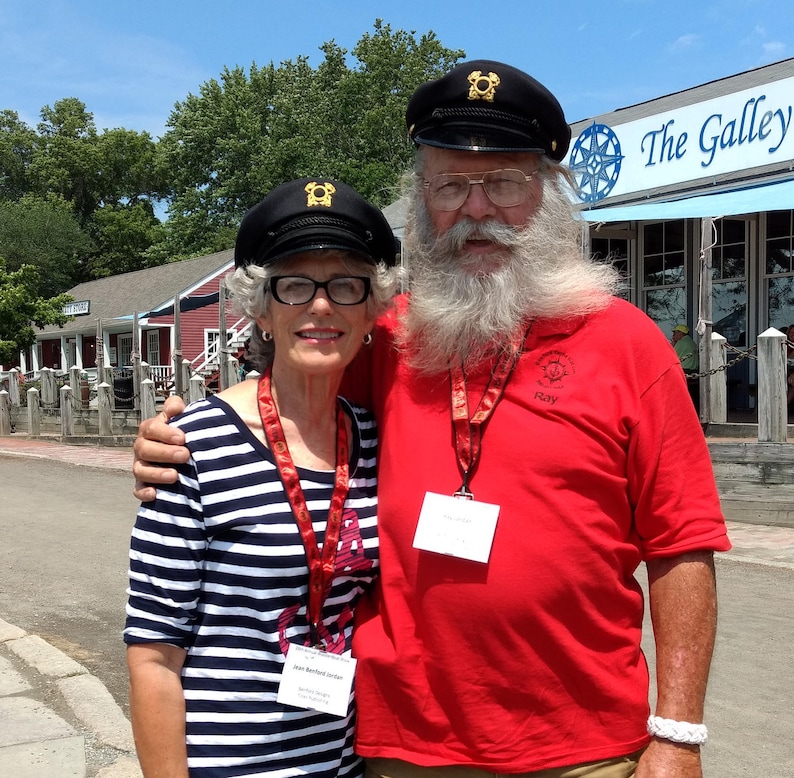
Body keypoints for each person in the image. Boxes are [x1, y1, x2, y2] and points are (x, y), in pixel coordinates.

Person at [133, 60, 730, 778]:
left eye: (503, 182)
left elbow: (682, 546)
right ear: (420, 203)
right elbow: (285, 399)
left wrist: (679, 732)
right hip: (400, 747)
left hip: (582, 747)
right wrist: (174, 437)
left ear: (548, 195)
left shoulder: (628, 343)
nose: (476, 210)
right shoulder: (383, 336)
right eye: (449, 185)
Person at [124, 177, 400, 778]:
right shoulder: (189, 445)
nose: (321, 305)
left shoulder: (380, 441)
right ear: (263, 311)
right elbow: (153, 654)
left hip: (347, 763)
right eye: (295, 284)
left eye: (346, 285)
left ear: (372, 311)